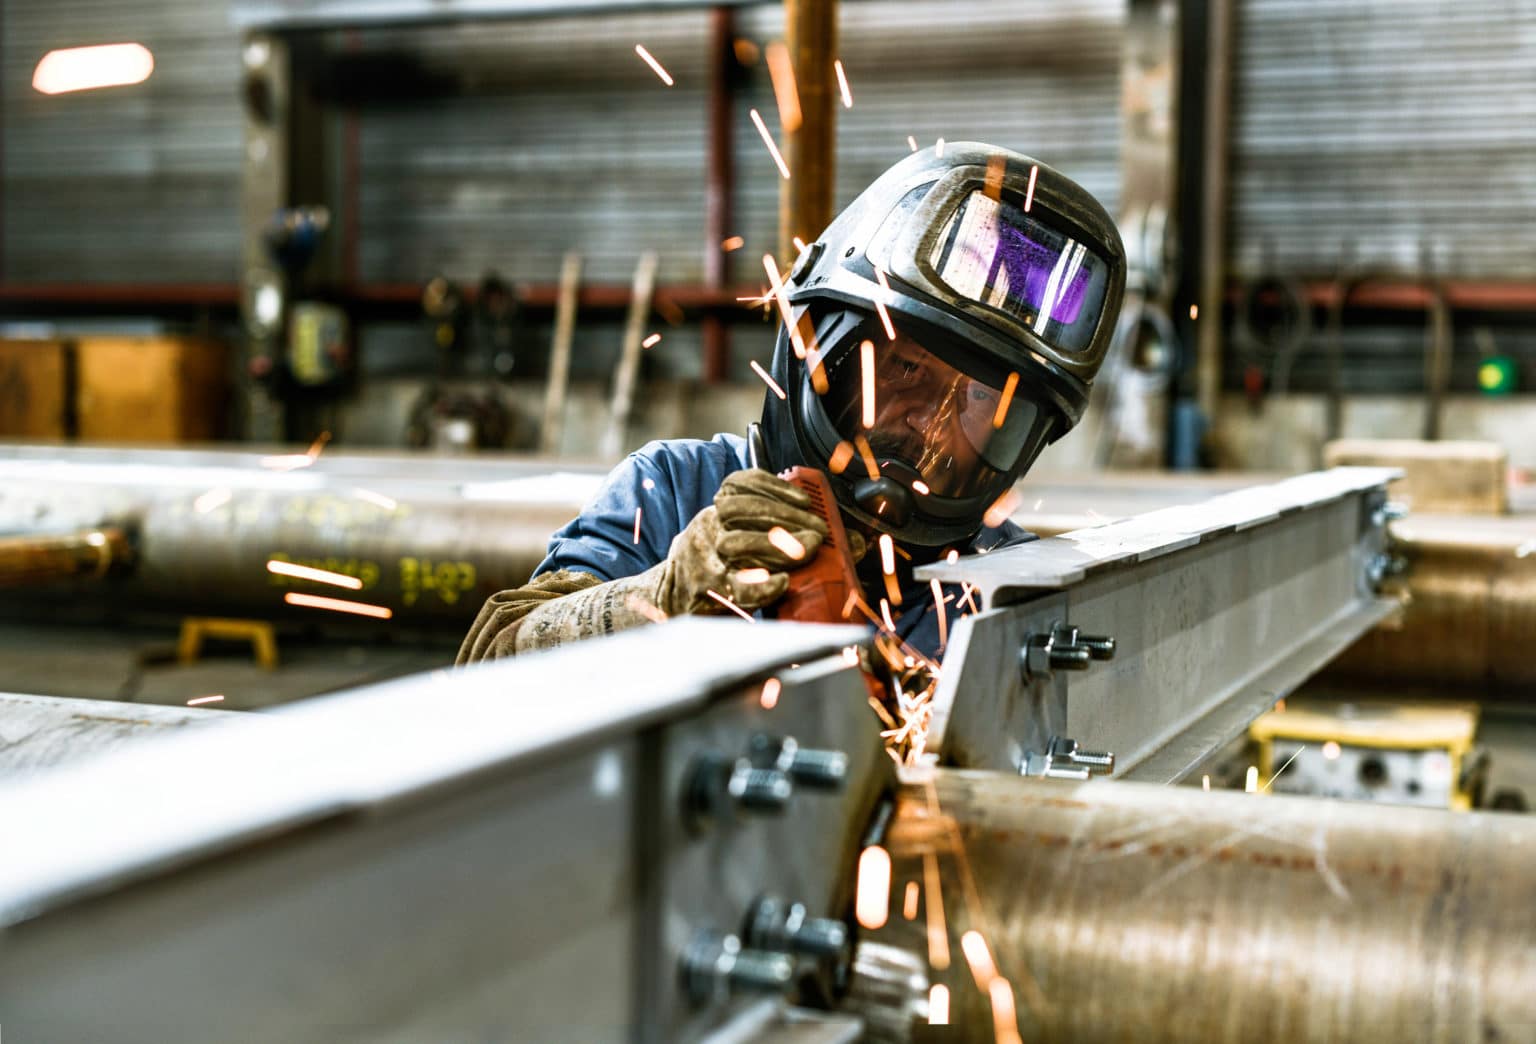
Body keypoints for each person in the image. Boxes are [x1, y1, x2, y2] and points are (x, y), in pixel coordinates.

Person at [458, 142, 1125, 666]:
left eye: (980, 403)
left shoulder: (1003, 582)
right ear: (817, 343)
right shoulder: (670, 489)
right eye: (905, 370)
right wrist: (659, 599)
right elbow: (489, 663)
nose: (928, 425)